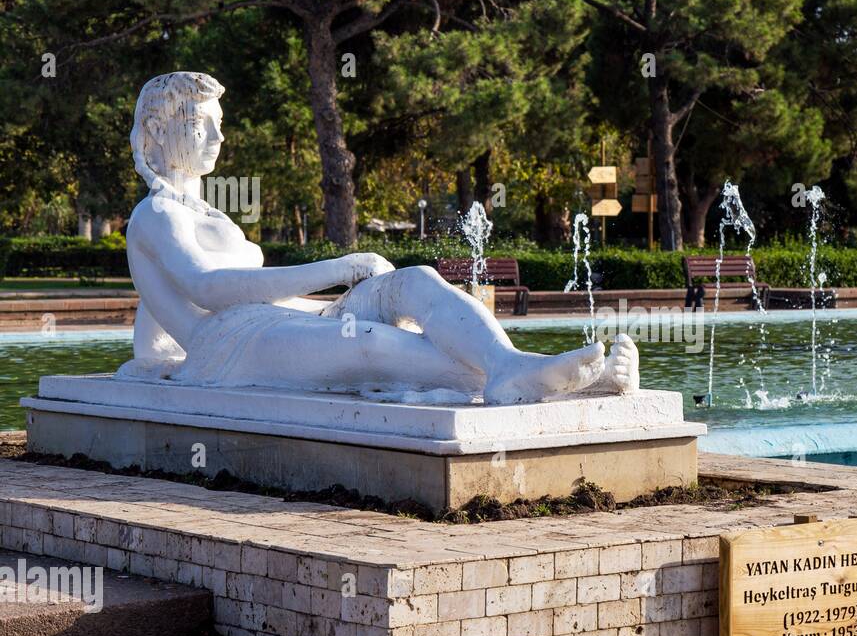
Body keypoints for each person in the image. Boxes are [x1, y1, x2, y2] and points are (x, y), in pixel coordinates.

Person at [120, 72, 637, 405]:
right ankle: (565, 387)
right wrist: (337, 270)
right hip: (229, 349)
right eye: (202, 124)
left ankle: (509, 366)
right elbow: (208, 289)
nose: (218, 137)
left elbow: (242, 294)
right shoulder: (155, 215)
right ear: (158, 132)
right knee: (371, 341)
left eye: (219, 125)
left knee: (413, 281)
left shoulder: (206, 212)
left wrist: (331, 302)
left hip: (282, 320)